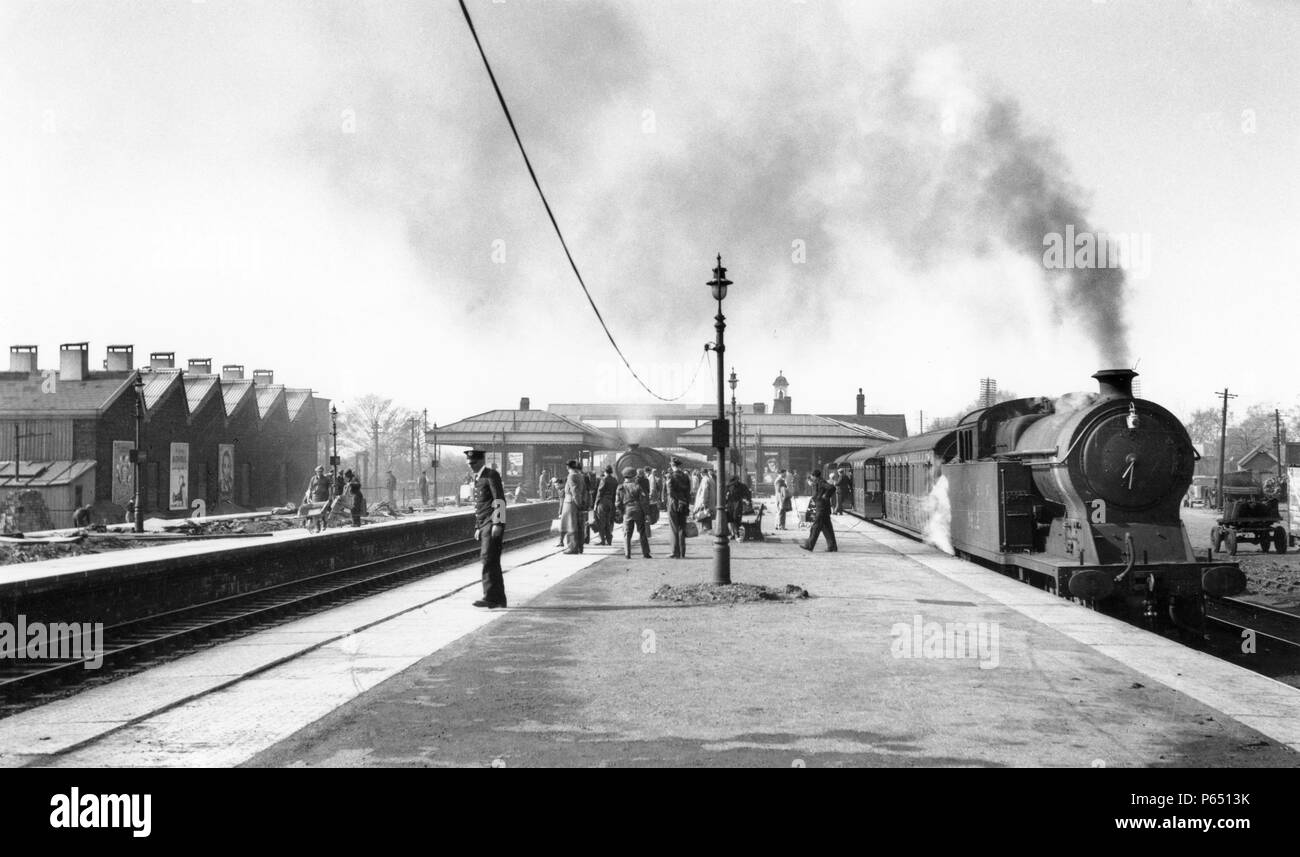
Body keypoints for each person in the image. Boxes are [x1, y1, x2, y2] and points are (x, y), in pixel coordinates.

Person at [466, 449, 507, 608]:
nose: (471, 466)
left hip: (492, 523)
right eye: (469, 464)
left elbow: (499, 499)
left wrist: (498, 523)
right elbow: (480, 506)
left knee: (488, 559)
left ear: (482, 461)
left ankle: (491, 597)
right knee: (491, 561)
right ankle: (499, 599)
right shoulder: (478, 477)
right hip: (484, 523)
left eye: (474, 463)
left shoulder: (491, 475)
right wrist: (477, 526)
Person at [616, 467, 651, 559]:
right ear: (633, 476)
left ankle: (627, 553)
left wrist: (622, 511)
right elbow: (643, 501)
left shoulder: (620, 487)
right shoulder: (638, 486)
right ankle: (646, 553)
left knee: (627, 533)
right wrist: (646, 513)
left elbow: (617, 502)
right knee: (642, 532)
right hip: (638, 510)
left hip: (627, 511)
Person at [801, 469, 838, 552]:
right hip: (823, 508)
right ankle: (832, 546)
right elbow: (816, 488)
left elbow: (832, 487)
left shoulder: (821, 481)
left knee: (815, 527)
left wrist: (826, 495)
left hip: (822, 508)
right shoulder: (818, 481)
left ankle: (809, 545)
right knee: (827, 528)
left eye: (812, 476)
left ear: (814, 476)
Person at [666, 457, 692, 559]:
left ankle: (675, 552)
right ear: (679, 465)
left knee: (673, 528)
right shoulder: (686, 476)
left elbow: (670, 492)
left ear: (672, 465)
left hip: (674, 503)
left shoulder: (670, 476)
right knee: (682, 527)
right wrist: (685, 502)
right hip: (684, 504)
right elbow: (688, 492)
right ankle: (682, 552)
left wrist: (678, 499)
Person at [560, 460, 586, 555]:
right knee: (578, 525)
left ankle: (572, 547)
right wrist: (581, 503)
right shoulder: (580, 475)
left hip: (570, 503)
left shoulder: (571, 476)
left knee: (570, 525)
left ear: (567, 467)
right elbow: (582, 491)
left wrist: (578, 503)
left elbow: (575, 492)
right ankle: (579, 546)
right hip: (576, 502)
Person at [593, 465, 618, 546]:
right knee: (608, 521)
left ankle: (602, 540)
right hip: (610, 502)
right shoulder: (614, 480)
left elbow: (599, 492)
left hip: (603, 502)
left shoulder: (604, 479)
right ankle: (609, 540)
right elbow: (614, 493)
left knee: (601, 522)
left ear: (605, 471)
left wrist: (596, 504)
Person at [725, 474, 752, 541]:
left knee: (736, 519)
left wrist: (747, 500)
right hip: (730, 505)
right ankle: (733, 534)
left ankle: (737, 534)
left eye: (737, 480)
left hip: (738, 504)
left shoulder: (742, 486)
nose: (736, 481)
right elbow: (724, 494)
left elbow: (748, 494)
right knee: (730, 520)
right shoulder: (729, 486)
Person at [305, 466, 331, 532]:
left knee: (323, 512)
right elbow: (310, 488)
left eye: (321, 471)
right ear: (316, 472)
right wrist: (308, 497)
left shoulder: (326, 479)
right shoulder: (313, 479)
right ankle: (317, 528)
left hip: (324, 497)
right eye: (318, 471)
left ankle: (324, 523)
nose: (320, 472)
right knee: (315, 513)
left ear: (323, 471)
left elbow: (330, 488)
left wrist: (330, 496)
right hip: (315, 497)